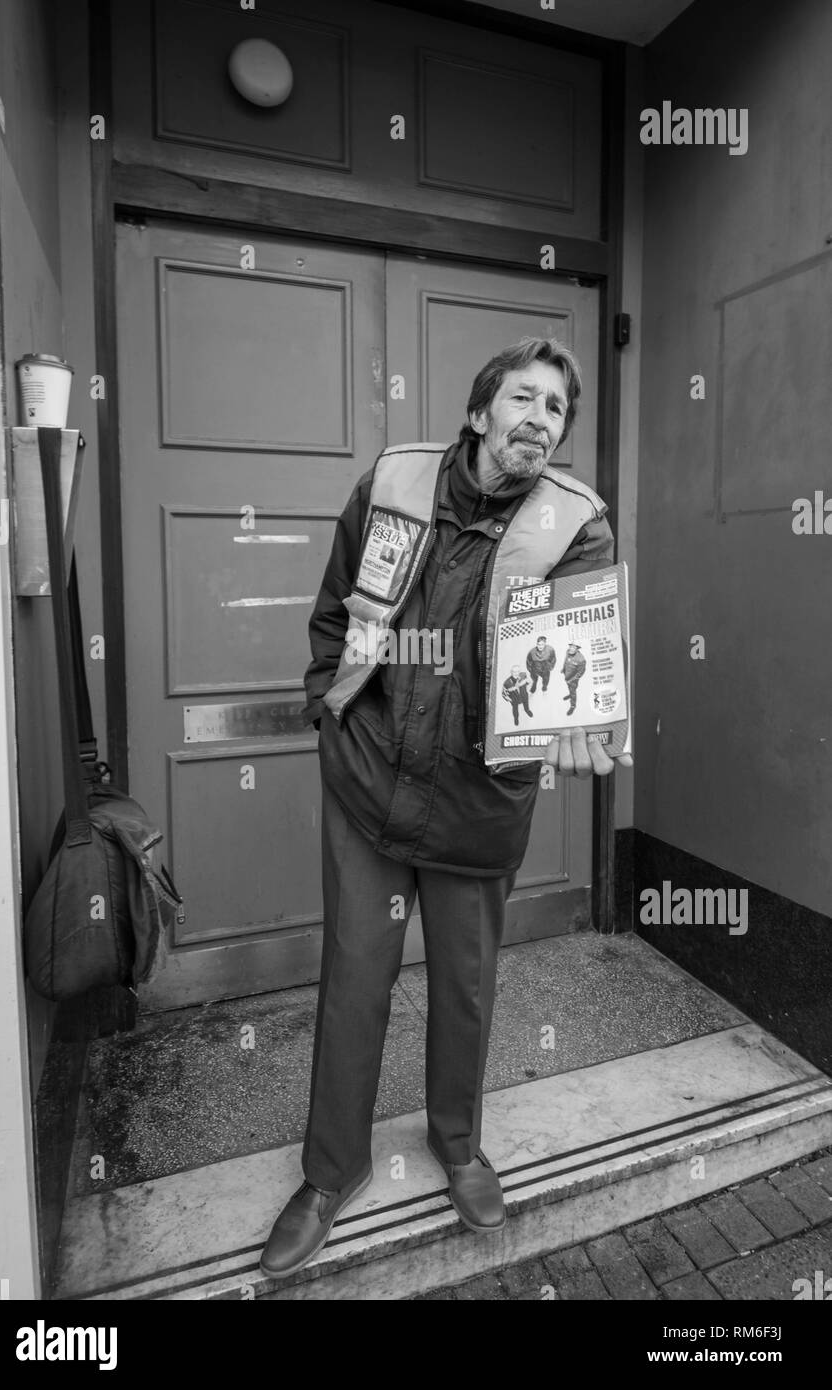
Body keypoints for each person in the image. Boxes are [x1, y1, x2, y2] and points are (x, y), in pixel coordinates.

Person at [260, 336, 632, 1280]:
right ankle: (329, 1175)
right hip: (368, 782)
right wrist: (324, 708)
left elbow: (581, 666)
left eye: (557, 409)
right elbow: (337, 609)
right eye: (524, 397)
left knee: (465, 990)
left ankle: (458, 1146)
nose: (539, 419)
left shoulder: (576, 525)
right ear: (478, 413)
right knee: (353, 982)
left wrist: (586, 722)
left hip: (478, 803)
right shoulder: (392, 485)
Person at [562, 642, 586, 715]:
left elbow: (580, 673)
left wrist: (572, 680)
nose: (571, 648)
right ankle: (570, 694)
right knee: (570, 688)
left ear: (577, 648)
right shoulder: (568, 651)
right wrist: (563, 669)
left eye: (573, 647)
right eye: (570, 646)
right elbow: (566, 660)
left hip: (573, 679)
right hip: (567, 675)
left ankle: (573, 706)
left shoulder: (581, 659)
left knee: (573, 691)